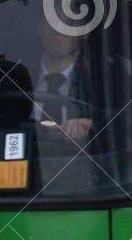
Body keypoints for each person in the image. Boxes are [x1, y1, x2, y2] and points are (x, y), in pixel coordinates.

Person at [33, 16, 94, 144]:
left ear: (83, 32)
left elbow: (123, 123)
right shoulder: (18, 78)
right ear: (40, 28)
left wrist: (92, 126)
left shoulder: (102, 82)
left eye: (69, 22)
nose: (60, 31)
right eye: (53, 21)